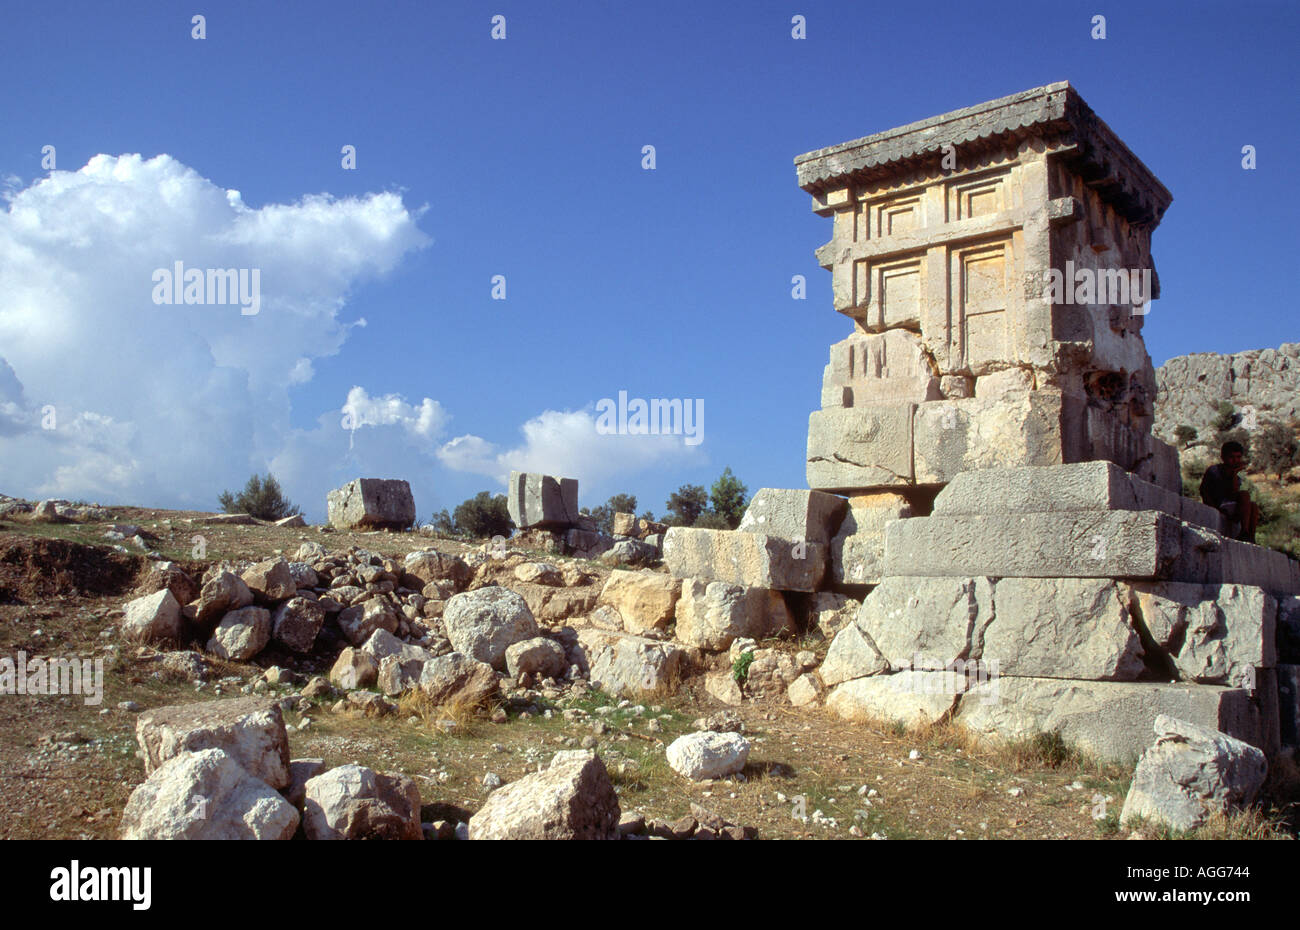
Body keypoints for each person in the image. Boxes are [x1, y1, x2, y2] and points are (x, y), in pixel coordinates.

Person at [1199, 441, 1260, 543]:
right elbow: (1204, 491)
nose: (1235, 460)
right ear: (1223, 457)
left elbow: (1233, 493)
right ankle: (1244, 531)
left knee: (1253, 506)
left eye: (1238, 457)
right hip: (1219, 506)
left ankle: (1250, 536)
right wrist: (1214, 509)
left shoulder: (1236, 477)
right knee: (1244, 494)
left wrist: (1234, 475)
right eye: (1231, 457)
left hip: (1230, 508)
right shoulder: (1214, 471)